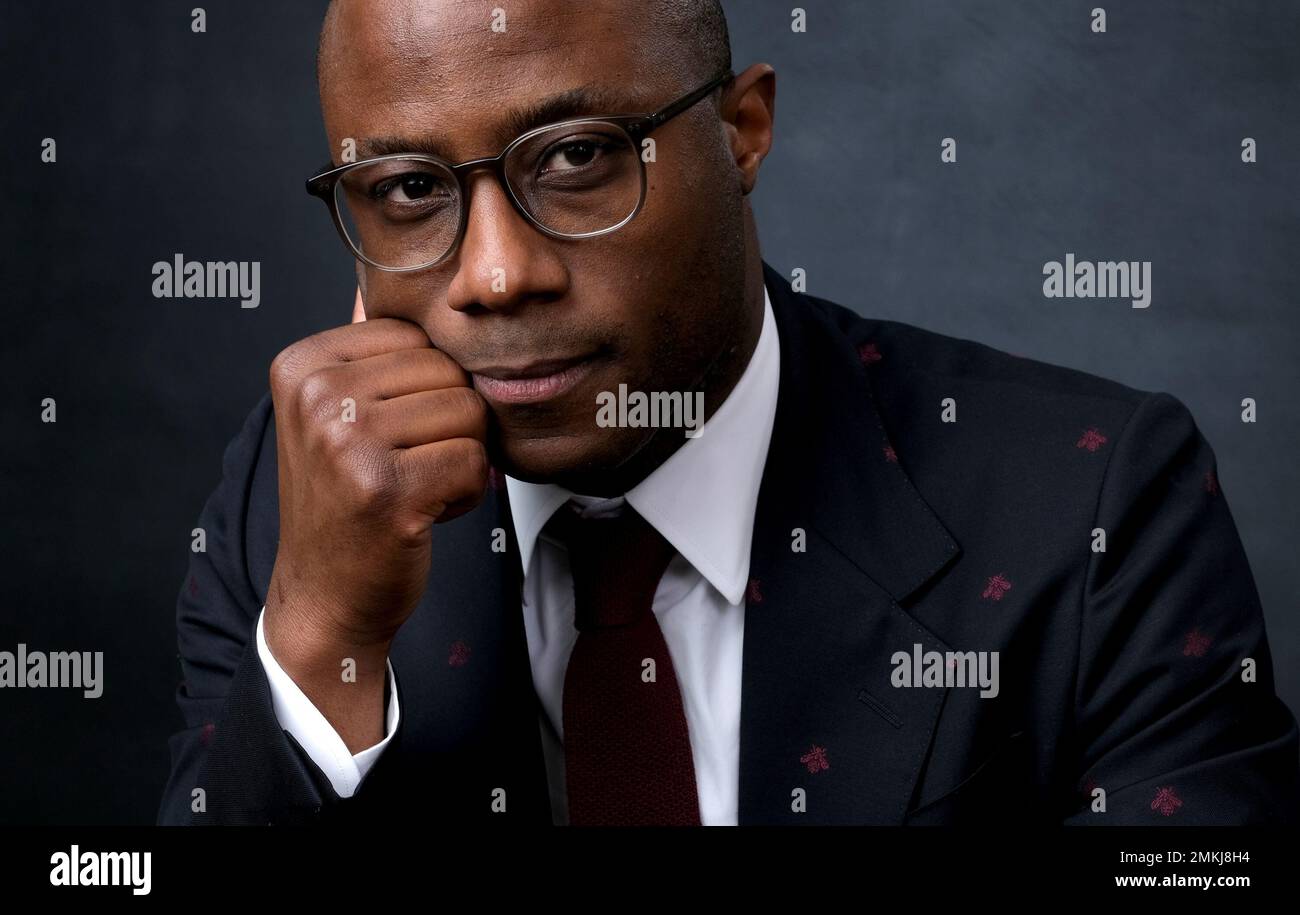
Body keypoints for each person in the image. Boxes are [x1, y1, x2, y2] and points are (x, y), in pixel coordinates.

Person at [158, 0, 1298, 825]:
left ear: (741, 131)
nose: (496, 276)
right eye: (409, 189)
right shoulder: (295, 505)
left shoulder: (1090, 503)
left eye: (576, 159)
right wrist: (315, 651)